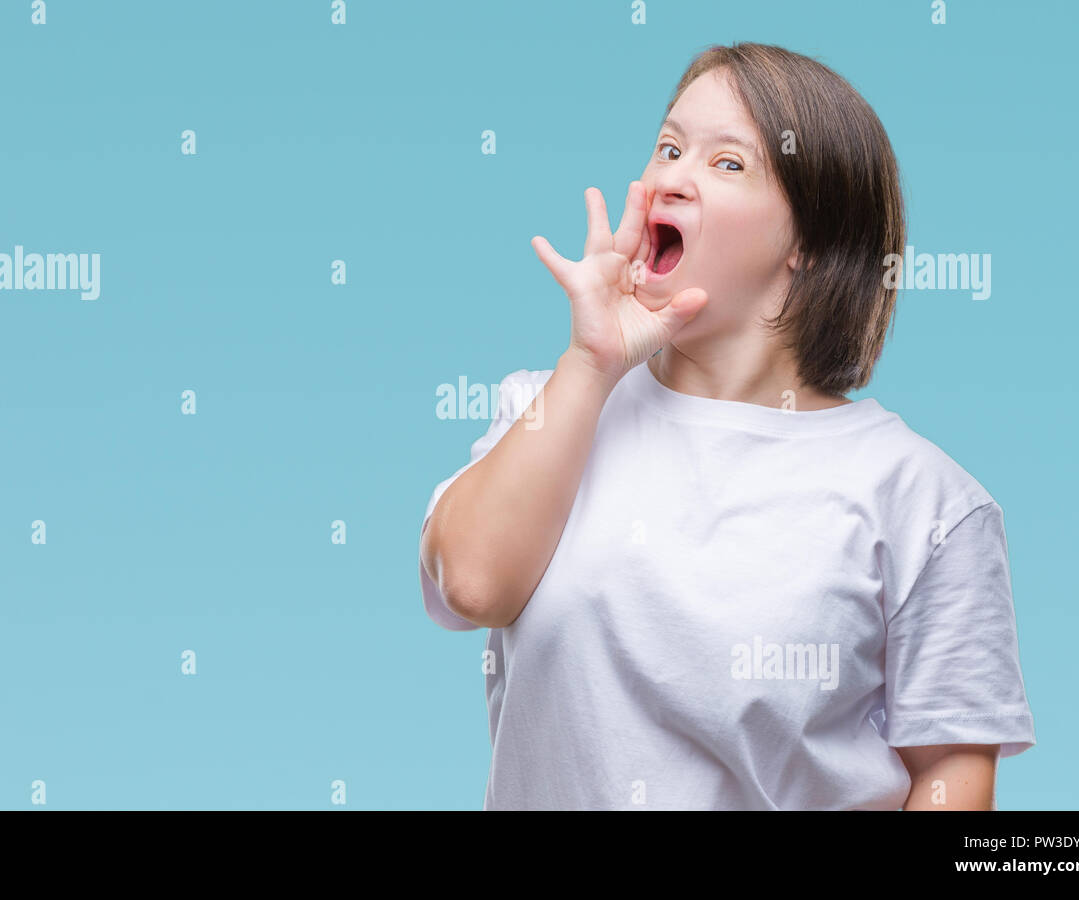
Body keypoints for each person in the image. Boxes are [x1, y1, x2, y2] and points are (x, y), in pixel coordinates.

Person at [418, 42, 1035, 810]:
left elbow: (949, 772)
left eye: (727, 164)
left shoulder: (927, 503)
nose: (672, 176)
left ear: (808, 243)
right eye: (669, 148)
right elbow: (470, 585)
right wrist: (590, 363)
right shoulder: (549, 408)